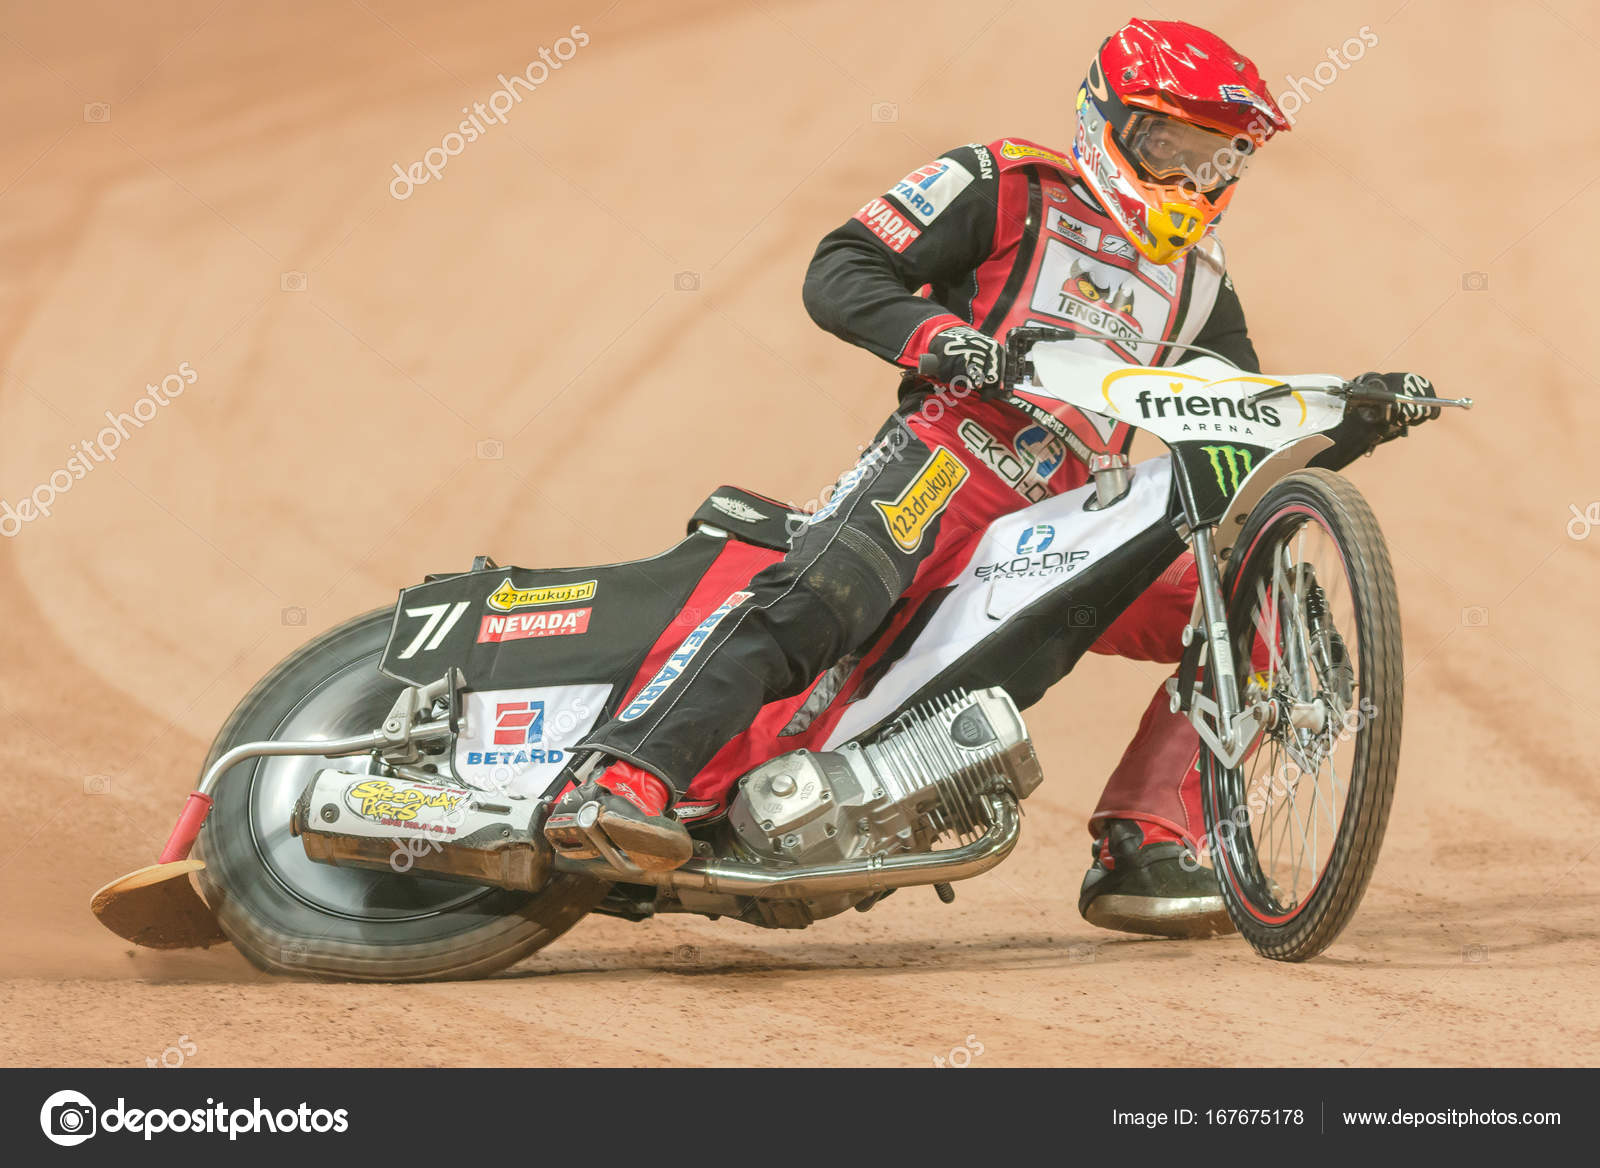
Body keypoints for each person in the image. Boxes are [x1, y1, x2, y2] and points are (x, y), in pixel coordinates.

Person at [545, 18, 1439, 935]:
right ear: (1110, 121)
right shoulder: (1005, 183)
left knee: (1257, 611)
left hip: (1067, 522)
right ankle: (618, 784)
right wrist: (945, 342)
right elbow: (841, 267)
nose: (1189, 175)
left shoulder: (1201, 281)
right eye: (1170, 142)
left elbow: (1235, 432)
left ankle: (1143, 846)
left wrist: (1350, 420)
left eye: (1215, 158)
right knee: (823, 600)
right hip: (949, 459)